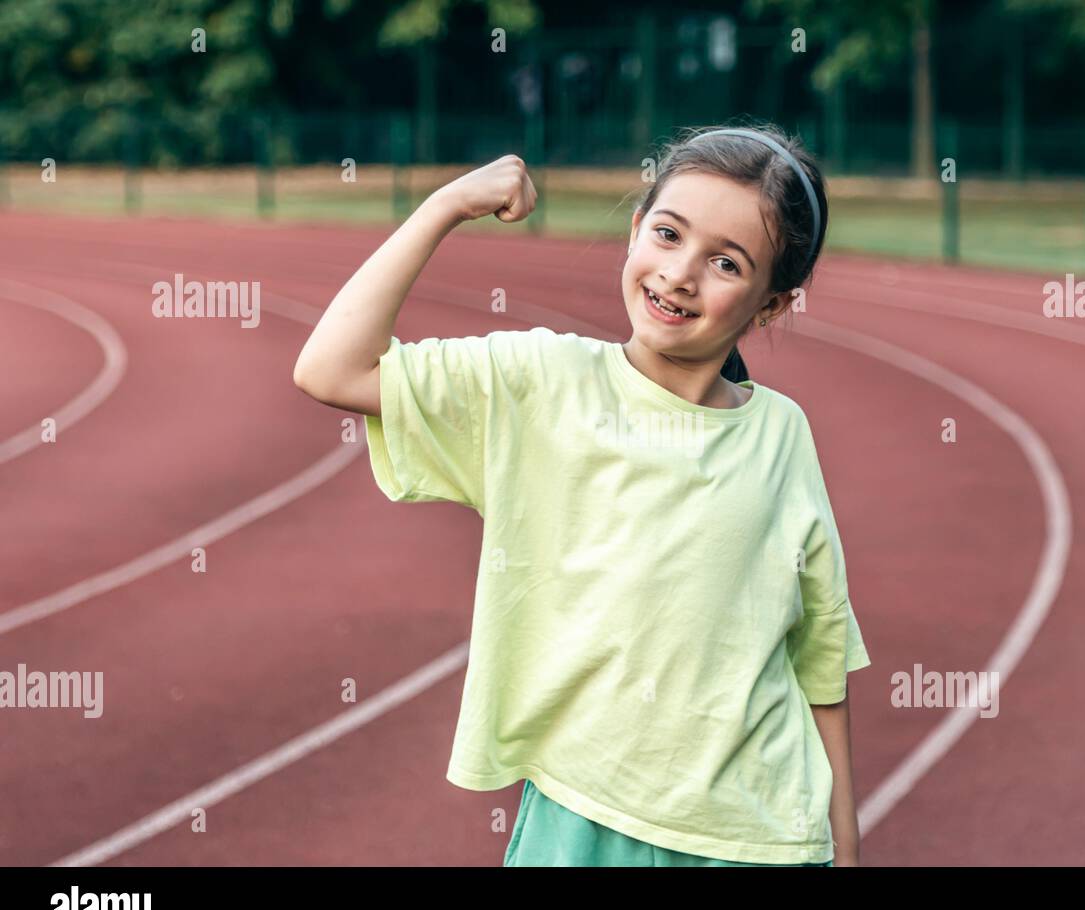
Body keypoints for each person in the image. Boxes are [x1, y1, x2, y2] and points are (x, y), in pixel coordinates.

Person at [292, 120, 871, 867]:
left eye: (726, 263)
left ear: (770, 306)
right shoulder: (539, 381)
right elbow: (330, 370)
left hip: (757, 837)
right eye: (667, 235)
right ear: (634, 232)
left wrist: (846, 846)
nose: (680, 274)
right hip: (582, 821)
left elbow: (818, 658)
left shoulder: (783, 436)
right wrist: (445, 207)